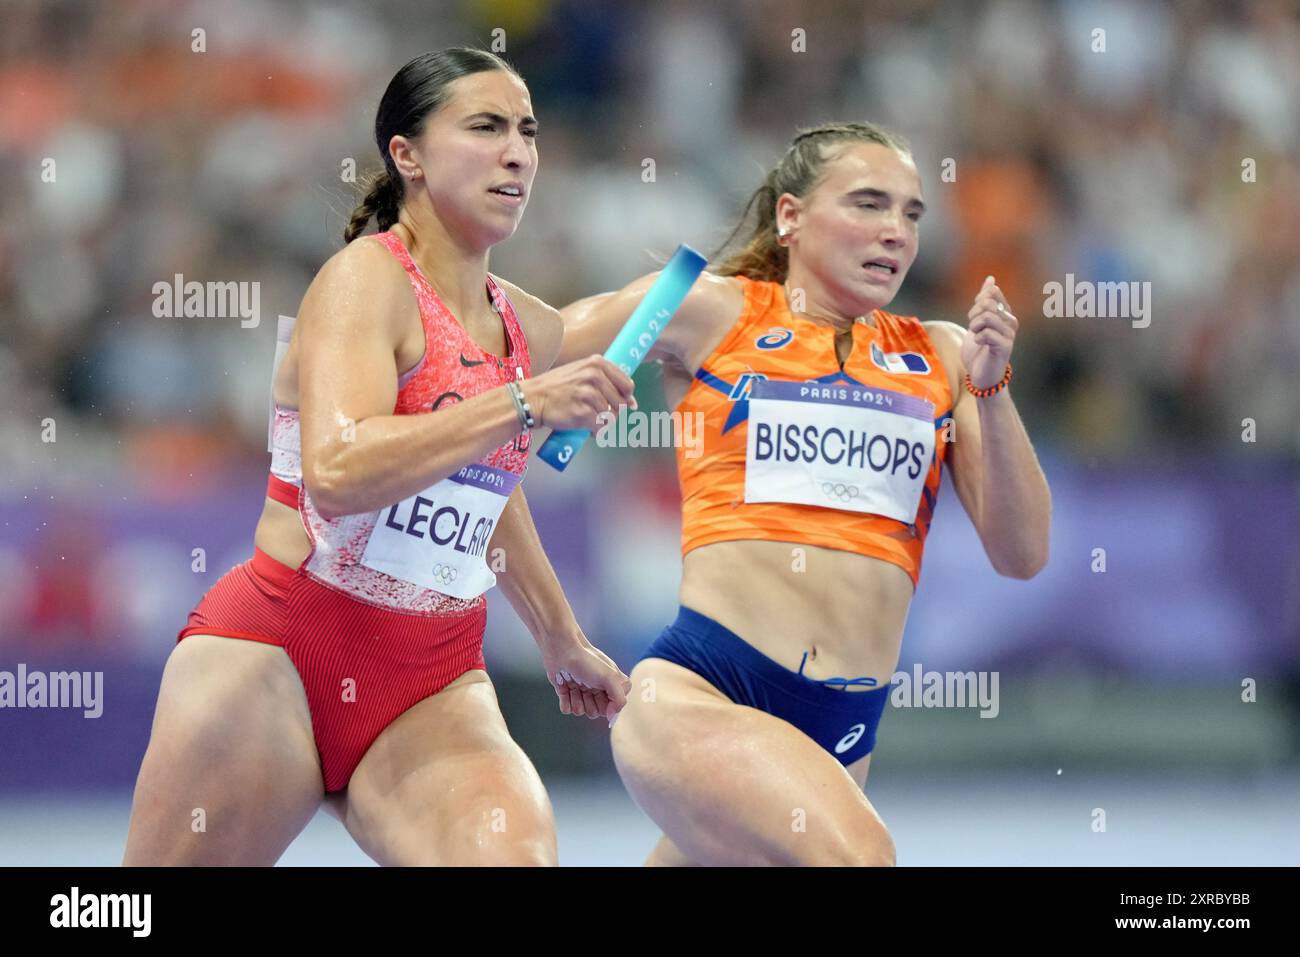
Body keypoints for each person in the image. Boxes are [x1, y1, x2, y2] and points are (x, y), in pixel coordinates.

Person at [123, 48, 634, 866]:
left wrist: (560, 636)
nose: (518, 151)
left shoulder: (525, 325)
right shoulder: (364, 283)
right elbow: (337, 471)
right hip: (277, 657)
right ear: (409, 156)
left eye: (528, 131)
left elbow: (485, 488)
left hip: (432, 679)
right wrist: (523, 402)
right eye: (487, 127)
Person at [560, 122, 1051, 866]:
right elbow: (511, 346)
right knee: (858, 857)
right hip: (703, 693)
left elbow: (1022, 554)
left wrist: (991, 391)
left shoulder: (945, 354)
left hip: (844, 728)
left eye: (911, 214)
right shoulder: (707, 308)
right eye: (868, 204)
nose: (894, 232)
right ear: (790, 217)